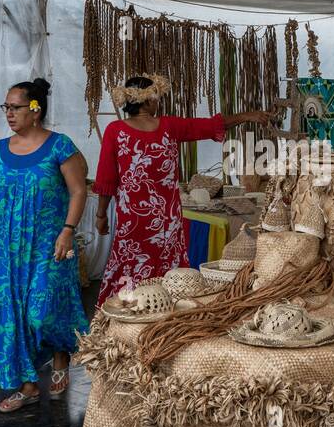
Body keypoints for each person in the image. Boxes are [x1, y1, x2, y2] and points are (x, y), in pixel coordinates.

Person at [0, 79, 90, 413]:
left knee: (42, 311)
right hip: (8, 250)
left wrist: (68, 231)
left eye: (15, 107)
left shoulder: (61, 147)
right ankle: (27, 386)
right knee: (10, 317)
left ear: (35, 110)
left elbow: (78, 191)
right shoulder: (0, 150)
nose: (9, 114)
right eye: (6, 107)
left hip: (50, 245)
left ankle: (61, 356)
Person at [94, 74, 271, 306]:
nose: (158, 102)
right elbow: (210, 126)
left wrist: (100, 215)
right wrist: (248, 116)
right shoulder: (168, 126)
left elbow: (107, 179)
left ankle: (126, 308)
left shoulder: (115, 130)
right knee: (168, 268)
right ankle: (167, 306)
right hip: (167, 222)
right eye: (156, 97)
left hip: (133, 222)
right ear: (147, 101)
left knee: (130, 261)